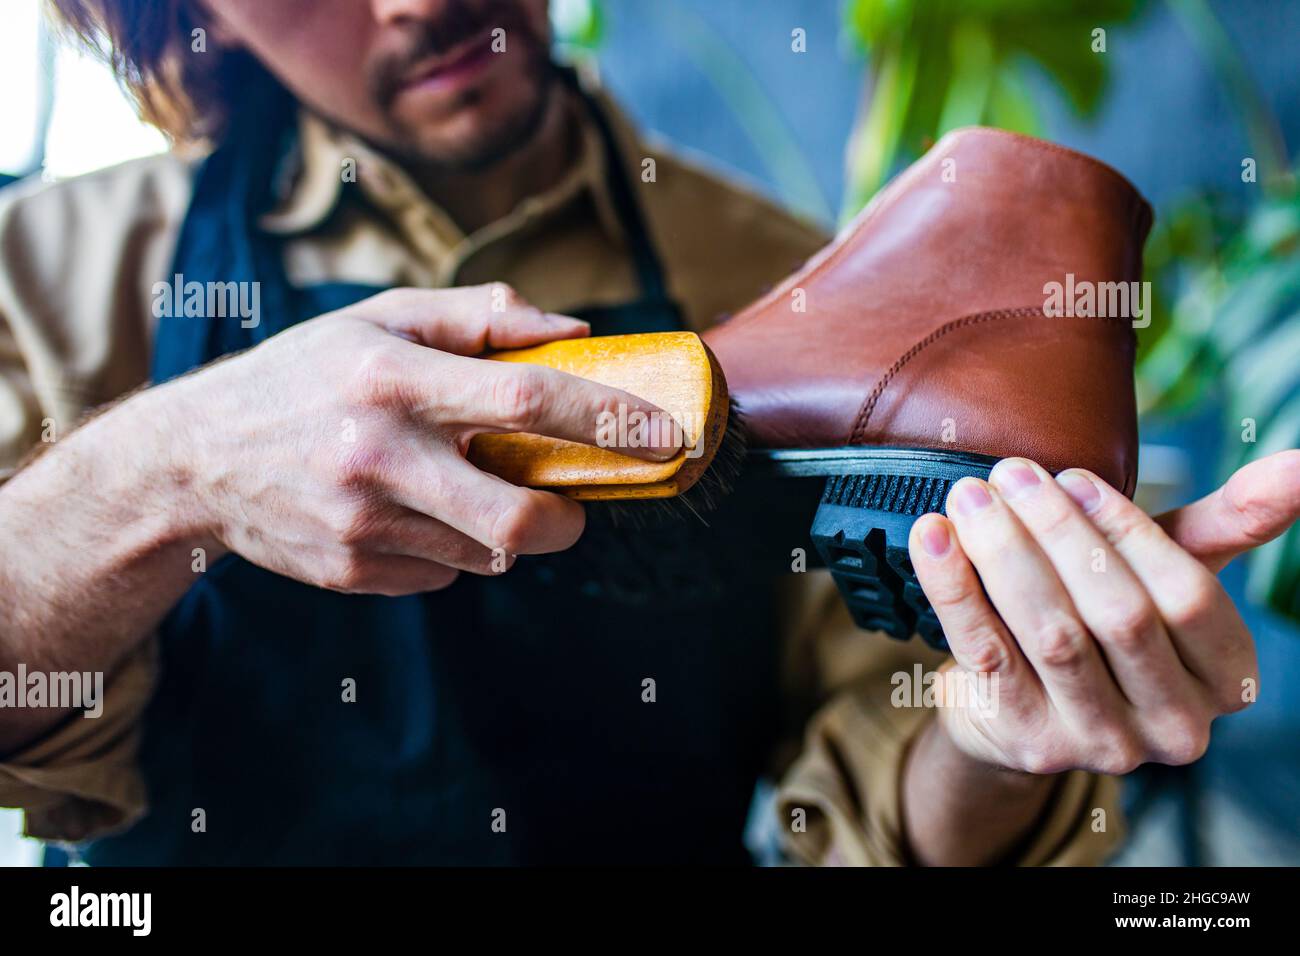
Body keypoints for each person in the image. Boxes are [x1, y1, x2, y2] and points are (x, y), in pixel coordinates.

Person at [0, 0, 1296, 865]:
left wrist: (998, 742)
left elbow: (861, 802)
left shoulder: (791, 271)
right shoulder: (41, 276)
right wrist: (161, 469)